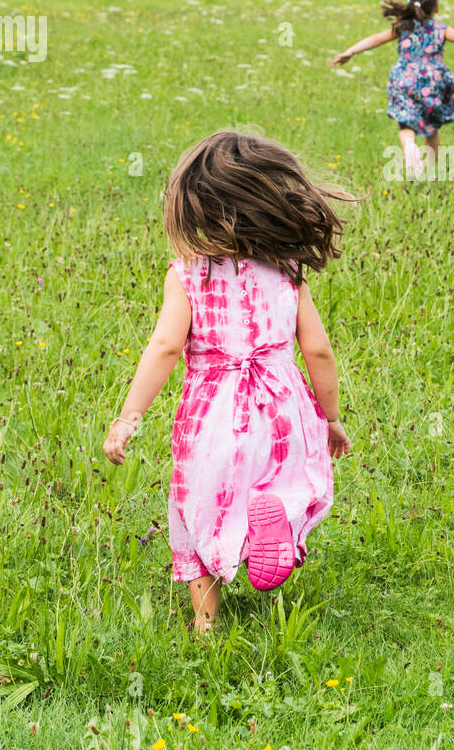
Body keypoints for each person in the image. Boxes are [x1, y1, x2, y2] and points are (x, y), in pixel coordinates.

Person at [102, 130, 354, 632]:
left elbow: (166, 348)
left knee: (200, 500)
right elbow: (319, 351)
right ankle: (273, 517)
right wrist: (331, 419)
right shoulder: (288, 271)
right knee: (280, 481)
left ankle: (206, 622)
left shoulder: (187, 274)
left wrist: (127, 419)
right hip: (283, 409)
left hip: (212, 413)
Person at [331, 0, 454, 178]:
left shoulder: (403, 27)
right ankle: (430, 170)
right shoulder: (440, 29)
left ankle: (410, 148)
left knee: (406, 125)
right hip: (431, 82)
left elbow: (375, 39)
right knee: (432, 127)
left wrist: (350, 51)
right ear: (436, 8)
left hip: (404, 80)